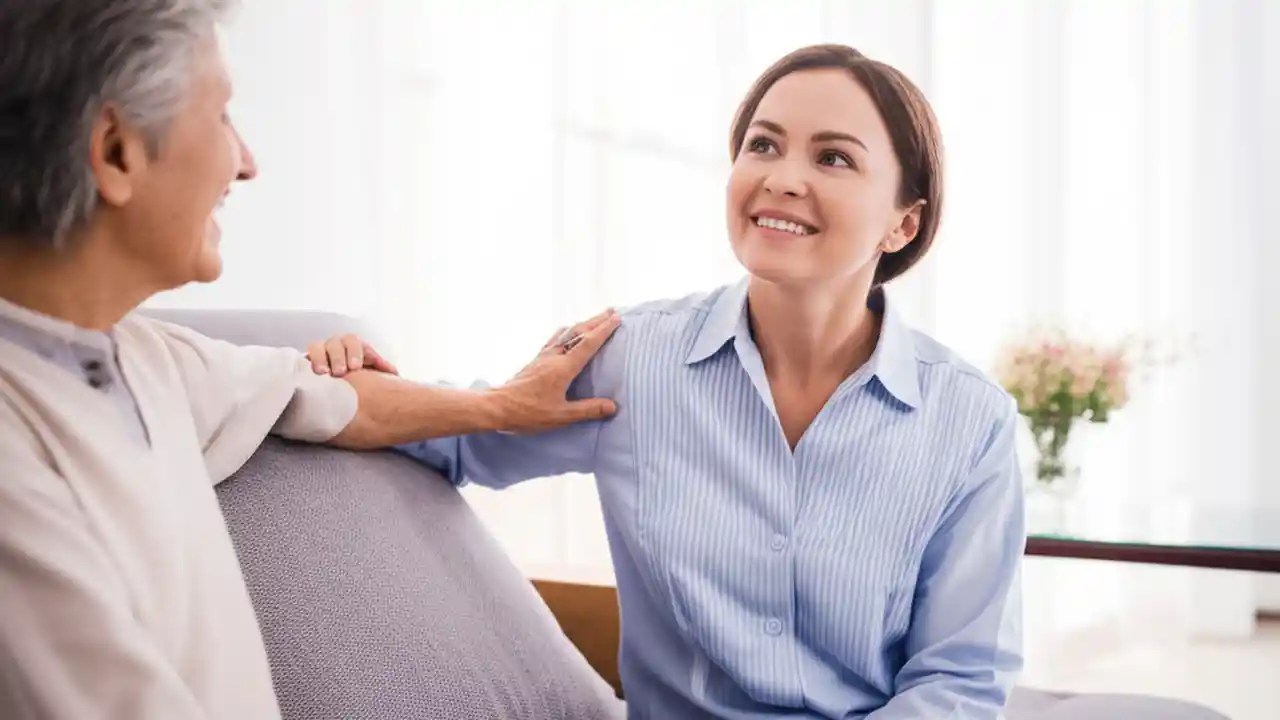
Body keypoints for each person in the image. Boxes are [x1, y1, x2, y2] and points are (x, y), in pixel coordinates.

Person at [319, 44, 1025, 719]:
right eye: (763, 144)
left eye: (833, 157)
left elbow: (958, 680)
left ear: (902, 224)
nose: (781, 176)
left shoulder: (968, 421)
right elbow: (446, 441)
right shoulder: (632, 360)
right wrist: (330, 369)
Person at [0, 2, 617, 718]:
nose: (248, 162)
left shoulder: (144, 359)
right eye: (223, 115)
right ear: (115, 152)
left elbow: (326, 397)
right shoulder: (16, 465)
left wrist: (502, 408)